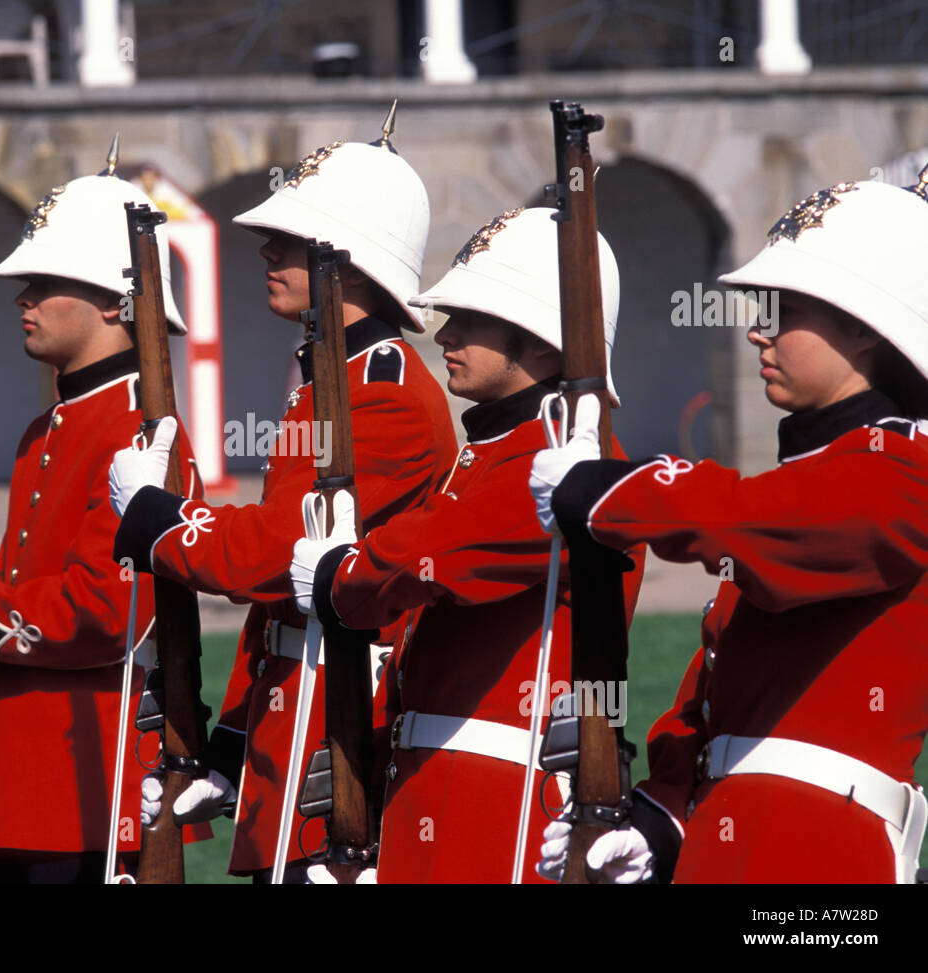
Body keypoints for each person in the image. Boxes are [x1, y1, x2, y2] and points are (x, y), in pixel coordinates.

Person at [533, 174, 928, 883]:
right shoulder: (813, 475)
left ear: (868, 327)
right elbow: (714, 692)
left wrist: (611, 487)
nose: (757, 328)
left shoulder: (905, 466)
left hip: (824, 853)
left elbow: (756, 521)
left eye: (788, 309)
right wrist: (661, 816)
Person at [109, 119, 457, 881]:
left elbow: (272, 554)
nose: (266, 250)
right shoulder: (329, 382)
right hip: (286, 716)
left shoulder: (385, 395)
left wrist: (155, 521)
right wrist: (233, 737)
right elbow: (278, 610)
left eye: (292, 239)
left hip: (340, 724)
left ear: (350, 262)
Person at [290, 207, 645, 882]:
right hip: (429, 786)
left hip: (506, 801)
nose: (446, 334)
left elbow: (443, 552)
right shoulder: (492, 449)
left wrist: (344, 570)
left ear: (543, 342)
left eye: (473, 320)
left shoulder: (568, 460)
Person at [0, 155, 203, 884]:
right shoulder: (46, 429)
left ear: (112, 302)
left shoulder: (142, 431)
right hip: (26, 780)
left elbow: (104, 611)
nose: (24, 298)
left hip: (94, 782)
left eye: (45, 284)